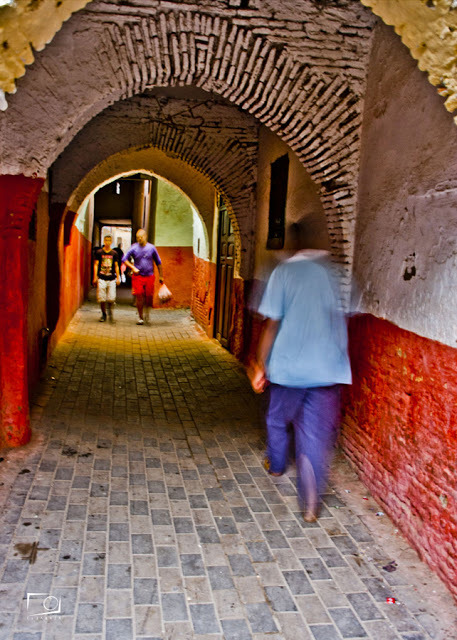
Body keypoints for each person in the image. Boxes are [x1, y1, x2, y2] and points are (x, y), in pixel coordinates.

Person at [248, 222, 351, 522]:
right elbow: (344, 313)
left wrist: (260, 363)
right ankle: (311, 500)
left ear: (291, 246)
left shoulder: (284, 273)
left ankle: (278, 464)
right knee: (315, 435)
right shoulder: (333, 274)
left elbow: (272, 323)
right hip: (328, 368)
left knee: (278, 420)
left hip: (290, 368)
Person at [122, 229, 164, 325]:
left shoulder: (151, 248)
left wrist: (161, 276)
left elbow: (158, 262)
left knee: (149, 296)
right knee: (139, 296)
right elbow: (124, 259)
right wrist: (133, 268)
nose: (139, 239)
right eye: (137, 237)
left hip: (149, 275)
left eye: (141, 237)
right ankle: (140, 317)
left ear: (145, 236)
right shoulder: (134, 247)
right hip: (138, 276)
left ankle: (147, 313)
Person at [93, 234, 121, 323]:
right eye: (106, 240)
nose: (108, 242)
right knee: (101, 298)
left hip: (111, 278)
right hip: (101, 278)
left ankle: (110, 311)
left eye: (109, 241)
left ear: (111, 242)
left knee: (111, 298)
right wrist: (95, 277)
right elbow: (96, 265)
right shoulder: (99, 252)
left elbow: (116, 266)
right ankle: (103, 313)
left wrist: (118, 277)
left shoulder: (114, 253)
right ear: (104, 241)